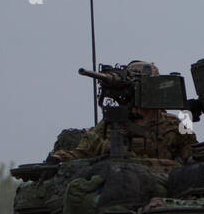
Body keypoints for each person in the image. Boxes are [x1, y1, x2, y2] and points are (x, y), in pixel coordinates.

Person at [49, 61, 193, 163]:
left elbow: (191, 155)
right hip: (124, 187)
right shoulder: (112, 123)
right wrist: (58, 158)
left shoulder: (174, 124)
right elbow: (83, 152)